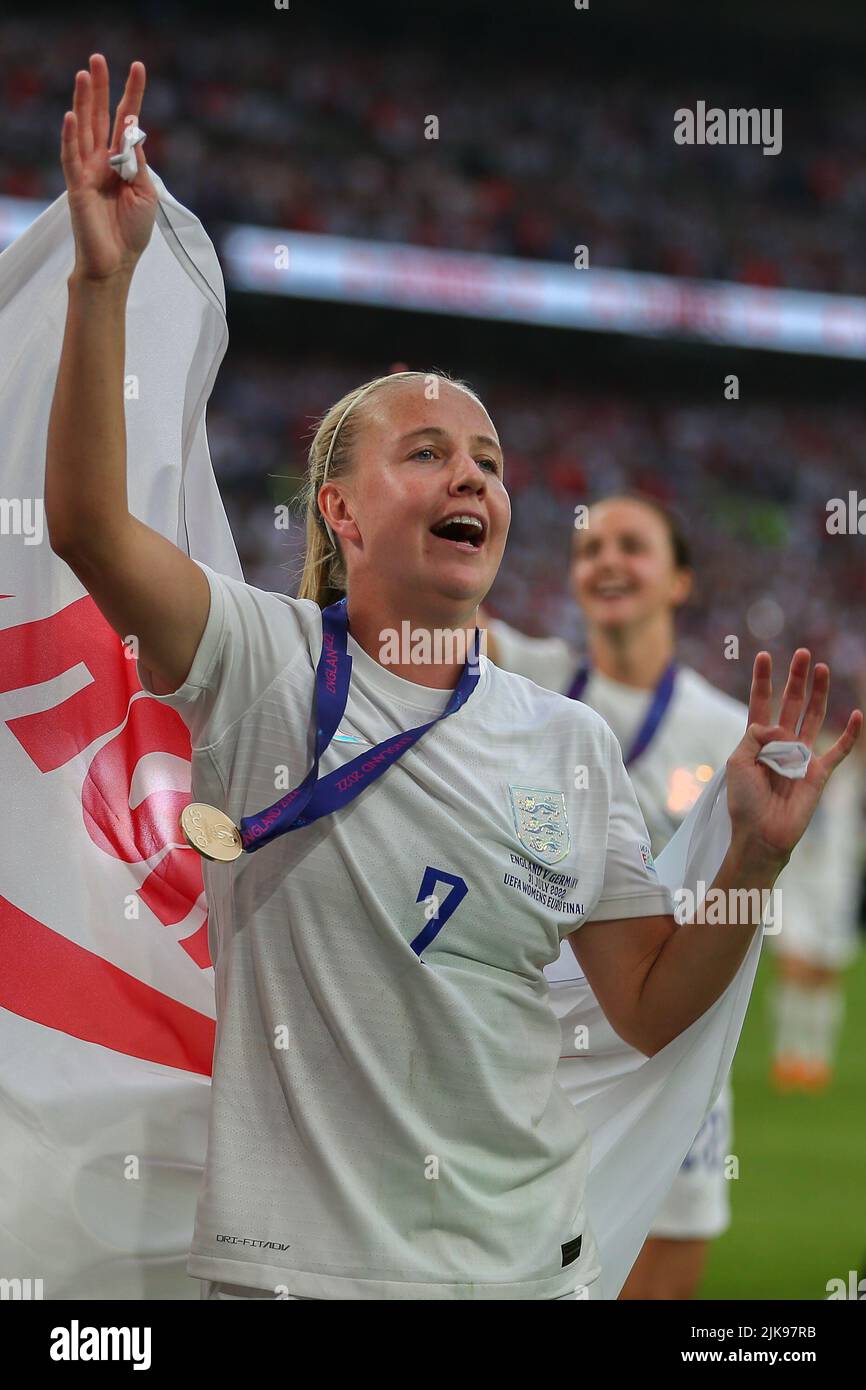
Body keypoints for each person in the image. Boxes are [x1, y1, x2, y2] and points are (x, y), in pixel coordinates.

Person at [44, 53, 862, 1301]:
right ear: (340, 511)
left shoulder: (569, 742)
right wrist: (103, 286)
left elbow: (645, 1006)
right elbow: (90, 526)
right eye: (424, 452)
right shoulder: (263, 660)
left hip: (524, 1276)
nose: (471, 476)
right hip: (290, 1280)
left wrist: (749, 861)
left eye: (487, 457)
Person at [482, 494, 751, 1298]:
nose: (606, 562)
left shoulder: (726, 727)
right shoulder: (530, 678)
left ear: (680, 582)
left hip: (667, 1037)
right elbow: (433, 621)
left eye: (632, 546)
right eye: (589, 548)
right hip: (537, 1050)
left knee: (665, 1276)